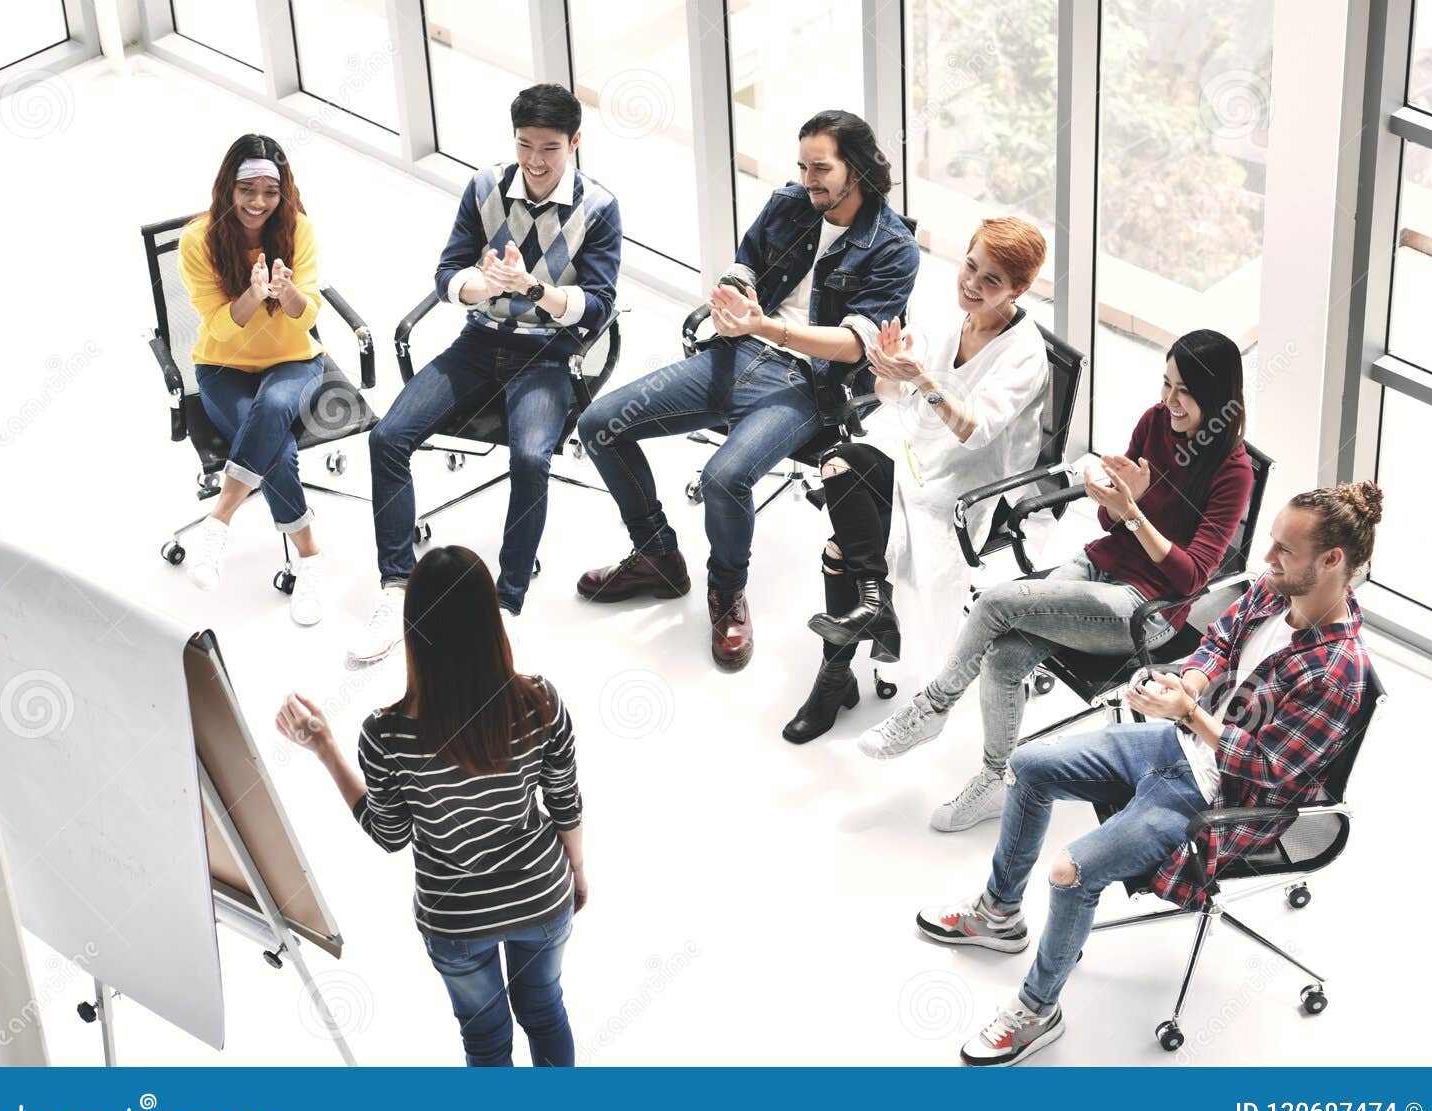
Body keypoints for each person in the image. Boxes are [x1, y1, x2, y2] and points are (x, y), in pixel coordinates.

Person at [915, 482, 1382, 1066]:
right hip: (1179, 743)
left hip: (1220, 799)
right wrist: (1189, 684)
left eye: (1284, 550)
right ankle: (998, 915)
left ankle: (1038, 1010)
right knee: (1028, 766)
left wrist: (1191, 715)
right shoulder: (1271, 592)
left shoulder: (1338, 671)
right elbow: (1218, 641)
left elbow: (1268, 771)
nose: (1266, 560)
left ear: (1332, 561)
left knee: (1068, 872)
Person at [859, 329, 1256, 833]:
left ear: (1216, 396)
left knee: (995, 603)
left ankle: (933, 707)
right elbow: (1112, 526)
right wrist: (1116, 503)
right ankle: (993, 779)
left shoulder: (1233, 472)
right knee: (1003, 659)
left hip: (1143, 610)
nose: (1168, 400)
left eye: (1183, 392)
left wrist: (1133, 511)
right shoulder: (1154, 422)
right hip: (1096, 566)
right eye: (1166, 384)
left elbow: (1192, 577)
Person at [574, 110, 920, 671]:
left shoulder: (893, 248)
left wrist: (765, 326)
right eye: (803, 165)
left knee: (725, 476)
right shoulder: (790, 204)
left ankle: (726, 592)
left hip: (808, 382)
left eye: (822, 168)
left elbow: (856, 346)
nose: (809, 179)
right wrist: (735, 296)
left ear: (856, 168)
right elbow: (747, 264)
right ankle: (658, 554)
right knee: (598, 425)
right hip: (735, 352)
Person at [277, 545, 585, 1067]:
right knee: (545, 1012)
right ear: (492, 621)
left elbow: (391, 835)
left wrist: (325, 750)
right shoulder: (540, 702)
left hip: (455, 920)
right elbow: (565, 802)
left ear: (413, 630)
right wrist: (575, 871)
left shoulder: (386, 734)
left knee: (485, 1039)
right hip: (541, 897)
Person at [349, 84, 622, 663]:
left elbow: (598, 305)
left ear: (575, 142)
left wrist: (533, 288)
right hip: (479, 342)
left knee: (529, 458)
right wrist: (483, 286)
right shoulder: (485, 186)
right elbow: (448, 272)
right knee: (386, 438)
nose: (537, 161)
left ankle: (508, 602)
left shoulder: (598, 207)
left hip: (547, 354)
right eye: (525, 145)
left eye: (550, 147)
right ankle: (396, 586)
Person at [784, 217, 1049, 743]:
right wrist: (887, 367)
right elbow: (890, 396)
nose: (971, 284)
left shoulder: (1024, 355)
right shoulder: (956, 319)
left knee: (843, 544)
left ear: (1020, 290)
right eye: (970, 266)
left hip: (964, 484)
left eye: (991, 281)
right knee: (839, 462)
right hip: (913, 450)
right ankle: (870, 608)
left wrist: (921, 378)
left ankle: (836, 674)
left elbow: (974, 433)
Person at [177, 134, 330, 624]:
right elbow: (216, 322)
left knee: (269, 415)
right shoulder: (197, 241)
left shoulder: (297, 230)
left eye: (270, 190)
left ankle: (218, 519)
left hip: (292, 359)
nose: (259, 202)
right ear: (228, 187)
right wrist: (251, 293)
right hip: (223, 367)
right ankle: (310, 559)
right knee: (276, 447)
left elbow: (306, 318)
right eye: (248, 190)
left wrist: (285, 295)